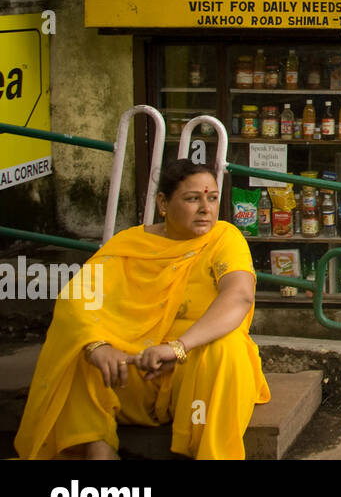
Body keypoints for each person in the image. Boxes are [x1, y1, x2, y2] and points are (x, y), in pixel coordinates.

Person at [14, 159, 271, 459]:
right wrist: (98, 347)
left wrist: (178, 348)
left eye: (212, 198)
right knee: (77, 347)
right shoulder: (129, 244)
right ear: (163, 202)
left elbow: (239, 296)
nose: (206, 209)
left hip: (192, 371)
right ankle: (99, 450)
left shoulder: (224, 238)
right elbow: (80, 297)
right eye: (192, 199)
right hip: (132, 371)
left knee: (227, 348)